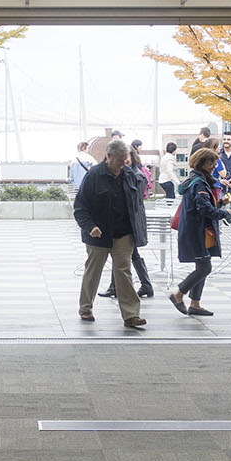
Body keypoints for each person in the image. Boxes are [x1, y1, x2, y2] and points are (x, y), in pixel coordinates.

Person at [72, 139, 149, 329]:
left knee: (124, 271)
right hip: (98, 233)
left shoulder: (128, 175)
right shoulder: (93, 176)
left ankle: (131, 314)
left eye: (125, 160)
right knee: (93, 270)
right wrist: (90, 227)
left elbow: (136, 204)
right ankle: (85, 307)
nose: (123, 164)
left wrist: (137, 230)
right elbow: (80, 207)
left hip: (124, 232)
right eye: (119, 160)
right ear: (108, 156)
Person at [169, 148, 229, 317]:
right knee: (204, 266)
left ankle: (195, 304)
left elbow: (202, 206)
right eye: (212, 163)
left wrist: (220, 204)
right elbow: (204, 209)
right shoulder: (200, 183)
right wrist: (224, 213)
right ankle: (178, 293)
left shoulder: (196, 180)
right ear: (202, 163)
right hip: (196, 231)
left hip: (195, 230)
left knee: (202, 264)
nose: (214, 166)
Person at [99, 142, 156, 300]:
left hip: (131, 221)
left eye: (126, 156)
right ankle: (140, 285)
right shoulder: (127, 173)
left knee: (127, 253)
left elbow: (134, 201)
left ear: (132, 156)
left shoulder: (137, 175)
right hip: (127, 221)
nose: (123, 160)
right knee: (125, 253)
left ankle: (141, 285)